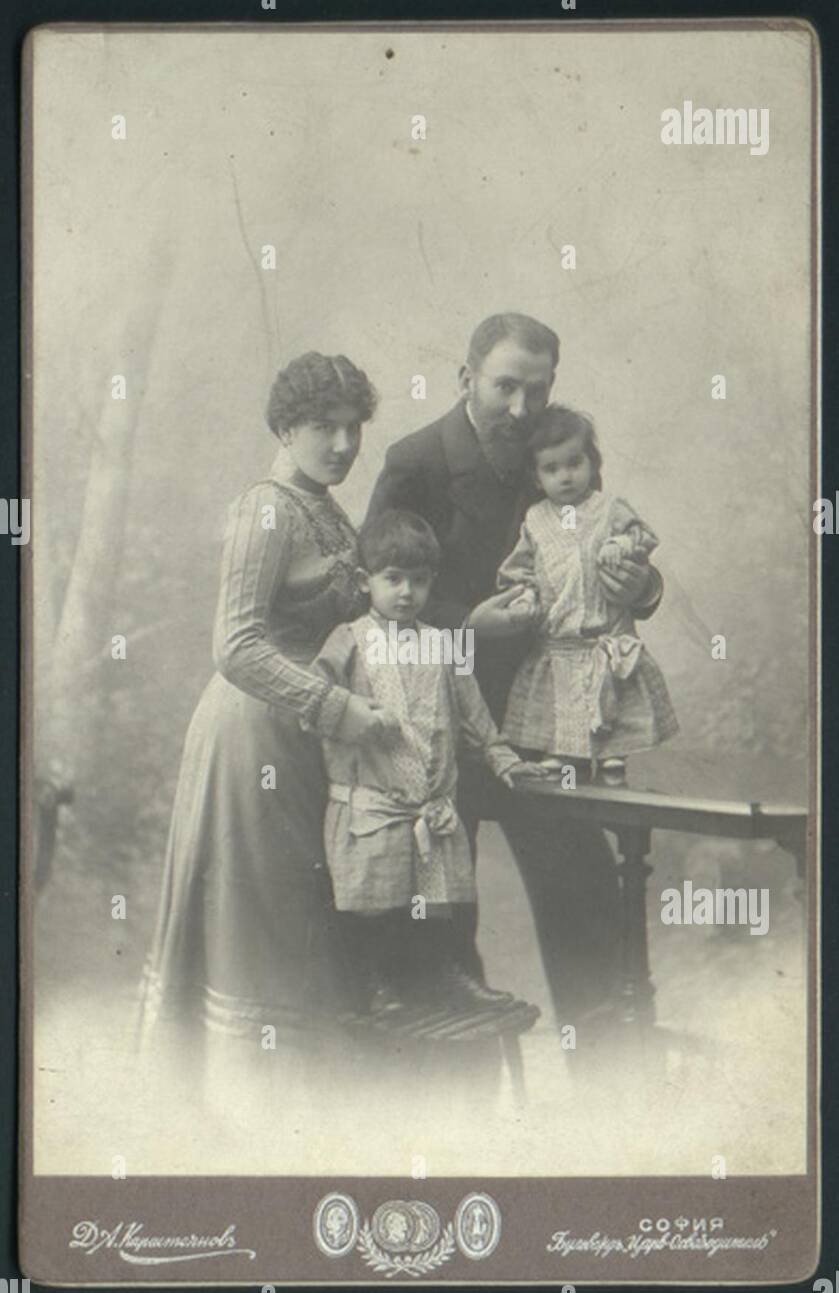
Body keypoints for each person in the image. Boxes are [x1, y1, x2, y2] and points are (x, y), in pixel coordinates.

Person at [364, 313, 664, 1040]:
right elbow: (367, 586)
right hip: (440, 714)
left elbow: (603, 560)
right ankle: (459, 1086)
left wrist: (638, 583)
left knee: (584, 884)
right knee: (439, 892)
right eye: (504, 387)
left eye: (536, 389)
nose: (520, 410)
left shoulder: (554, 453)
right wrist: (467, 622)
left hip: (546, 713)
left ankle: (610, 1064)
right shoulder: (417, 461)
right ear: (466, 378)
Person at [139, 351, 390, 1081]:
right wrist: (335, 706)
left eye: (352, 429)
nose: (342, 445)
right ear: (284, 427)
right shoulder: (268, 506)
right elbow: (237, 644)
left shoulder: (322, 505)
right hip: (253, 732)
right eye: (323, 427)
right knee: (260, 920)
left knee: (297, 911)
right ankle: (244, 1101)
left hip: (303, 734)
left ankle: (297, 1099)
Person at [311, 508, 546, 1011]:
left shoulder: (442, 645)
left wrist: (502, 756)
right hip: (374, 808)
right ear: (363, 581)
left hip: (431, 807)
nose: (405, 593)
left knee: (432, 910)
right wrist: (347, 713)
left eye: (418, 581)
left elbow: (473, 714)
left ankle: (442, 974)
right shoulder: (349, 641)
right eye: (392, 579)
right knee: (375, 902)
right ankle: (373, 984)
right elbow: (314, 700)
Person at [498, 404, 678, 785]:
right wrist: (525, 595)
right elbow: (519, 570)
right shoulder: (535, 519)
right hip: (558, 640)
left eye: (574, 463)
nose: (565, 476)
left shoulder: (609, 508)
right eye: (552, 469)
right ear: (536, 475)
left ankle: (613, 754)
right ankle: (566, 756)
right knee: (563, 705)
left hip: (604, 634)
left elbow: (645, 537)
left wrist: (623, 543)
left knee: (610, 696)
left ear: (592, 463)